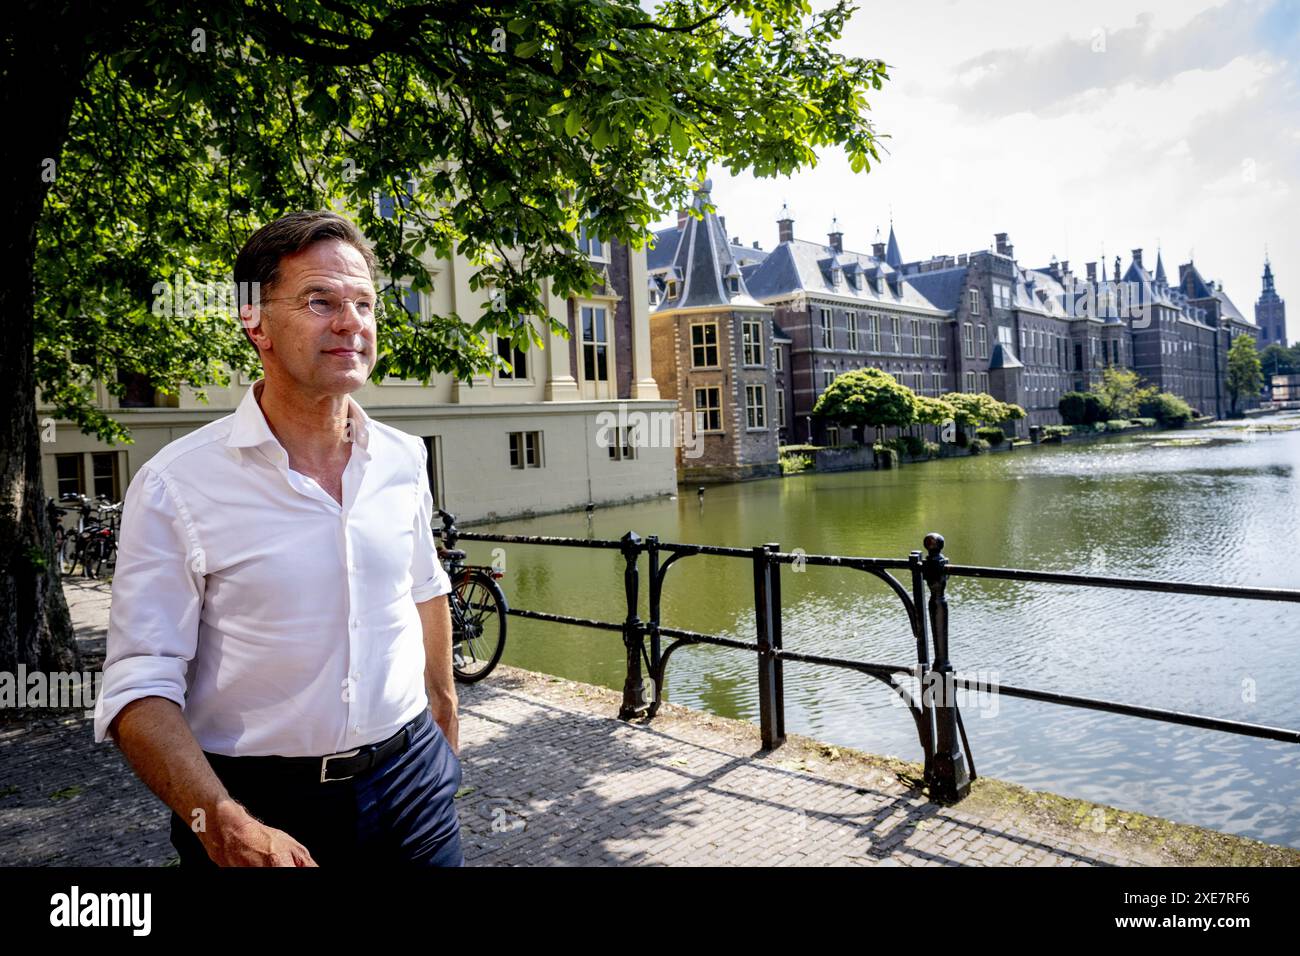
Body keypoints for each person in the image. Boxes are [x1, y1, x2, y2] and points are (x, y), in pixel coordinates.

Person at [92, 210, 464, 866]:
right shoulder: (175, 485)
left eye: (364, 303)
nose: (351, 322)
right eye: (320, 301)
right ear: (253, 320)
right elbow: (139, 683)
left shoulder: (404, 458)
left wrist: (444, 719)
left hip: (414, 783)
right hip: (258, 803)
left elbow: (424, 588)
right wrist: (222, 823)